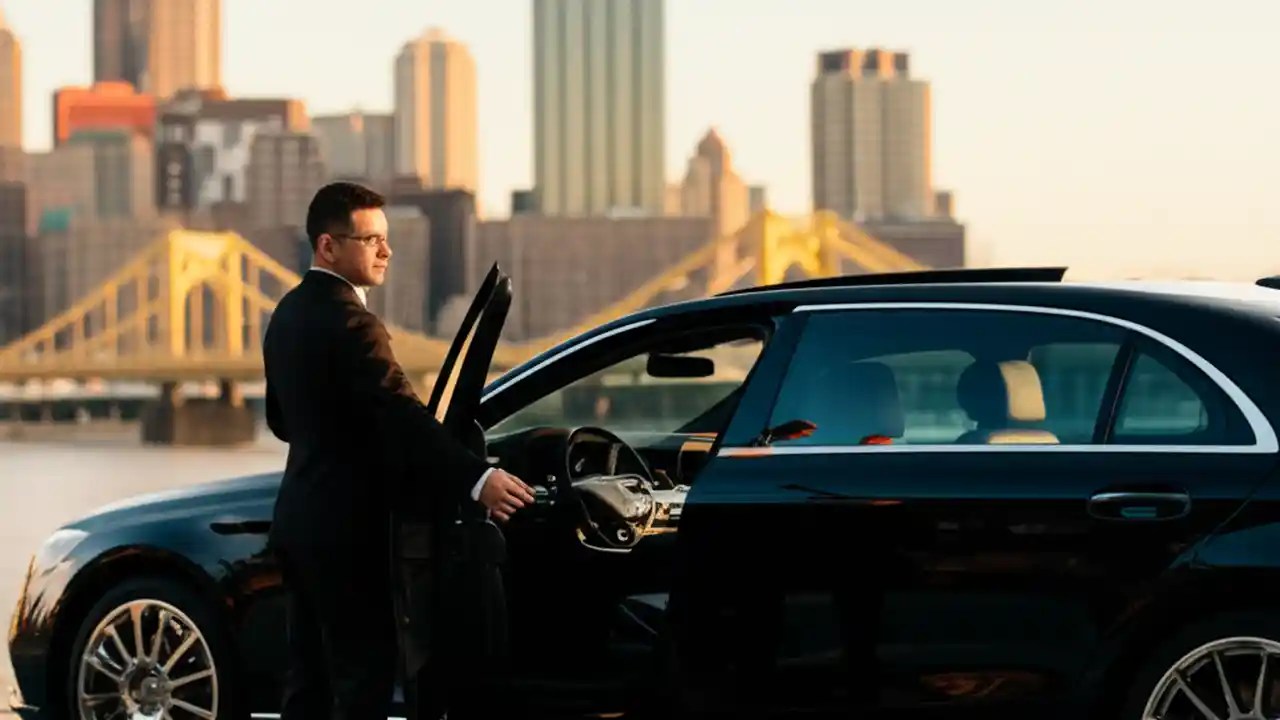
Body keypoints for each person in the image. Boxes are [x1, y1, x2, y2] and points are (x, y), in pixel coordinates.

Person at [262, 181, 536, 719]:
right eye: (371, 240)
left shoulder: (287, 314)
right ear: (328, 246)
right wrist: (477, 478)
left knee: (308, 684)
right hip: (350, 535)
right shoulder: (354, 323)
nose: (386, 251)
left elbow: (280, 421)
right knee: (361, 685)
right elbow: (401, 414)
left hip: (297, 523)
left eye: (386, 239)